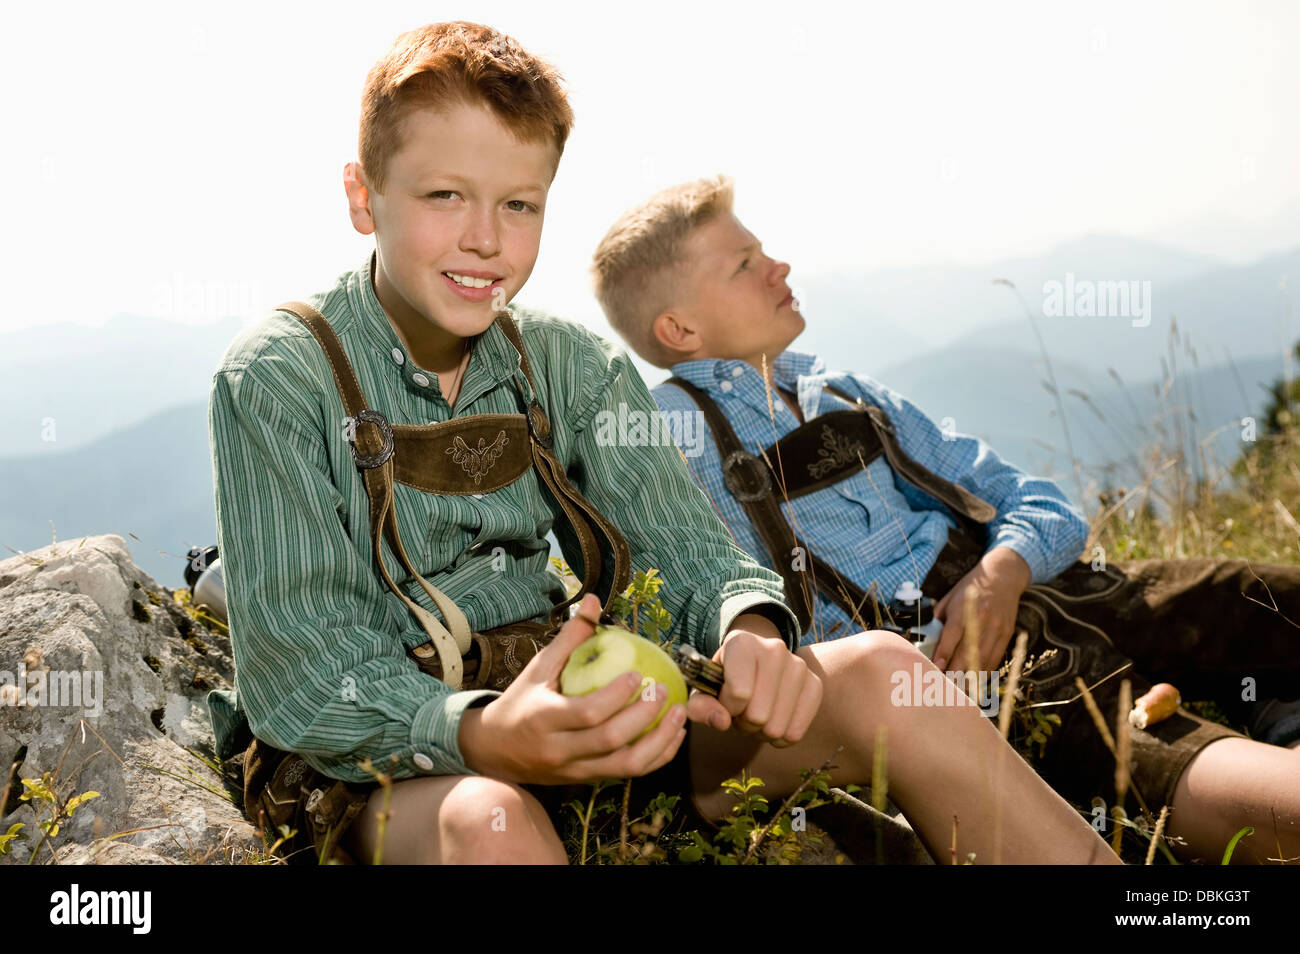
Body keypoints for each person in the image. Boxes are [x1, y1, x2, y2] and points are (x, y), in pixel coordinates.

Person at [206, 21, 1117, 865]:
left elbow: (685, 549)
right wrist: (483, 733)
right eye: (445, 196)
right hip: (380, 759)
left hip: (580, 708)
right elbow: (304, 677)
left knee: (882, 669)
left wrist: (750, 626)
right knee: (490, 820)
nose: (485, 241)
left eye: (520, 205)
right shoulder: (279, 379)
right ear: (364, 197)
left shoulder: (566, 362)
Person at [590, 173, 1300, 864]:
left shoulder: (842, 388)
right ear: (679, 327)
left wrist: (1006, 566)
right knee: (1208, 777)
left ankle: (1272, 703)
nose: (780, 266)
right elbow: (694, 607)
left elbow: (1029, 497)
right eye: (745, 265)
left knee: (1259, 595)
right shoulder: (670, 436)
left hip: (1058, 595)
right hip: (968, 681)